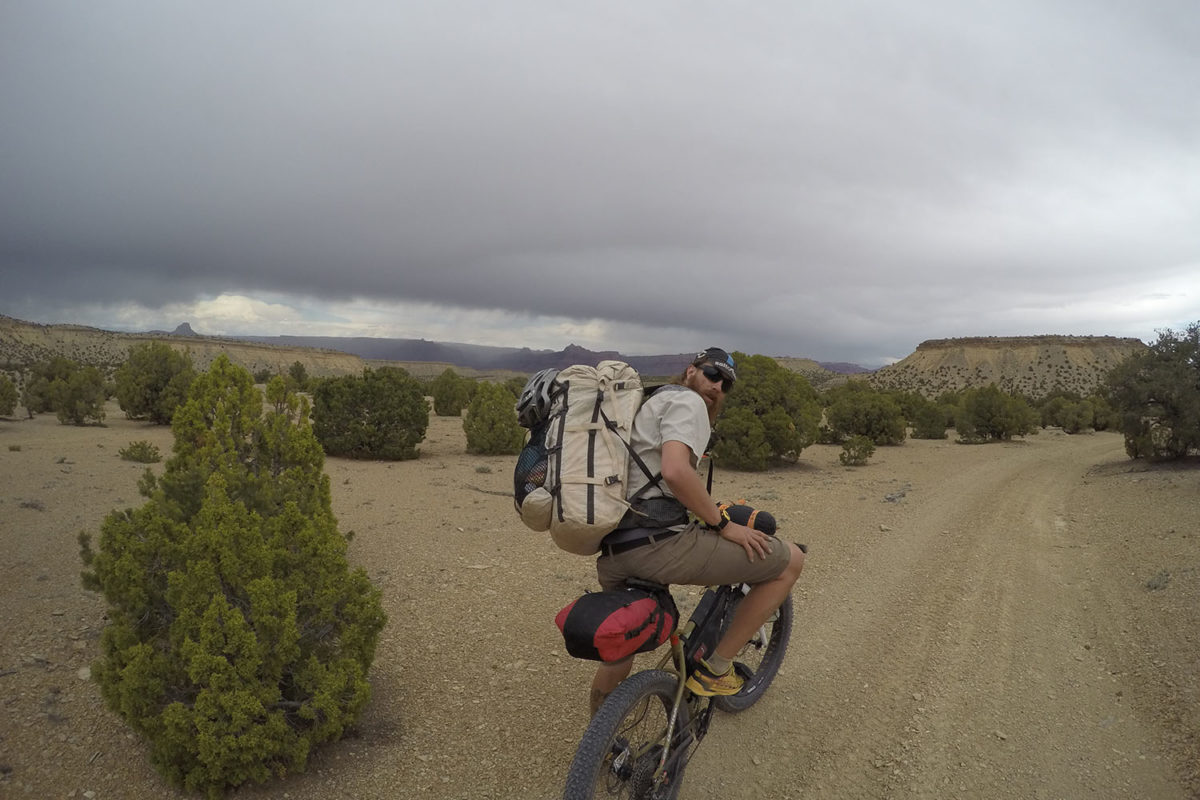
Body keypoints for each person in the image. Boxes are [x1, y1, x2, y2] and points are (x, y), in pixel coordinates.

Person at [588, 347, 806, 716]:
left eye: (727, 384)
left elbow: (657, 478)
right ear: (690, 371)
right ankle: (715, 670)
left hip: (615, 550)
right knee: (790, 562)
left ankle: (601, 739)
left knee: (623, 645)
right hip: (659, 546)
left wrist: (704, 510)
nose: (718, 386)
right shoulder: (688, 403)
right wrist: (724, 526)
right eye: (712, 374)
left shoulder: (647, 404)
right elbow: (675, 471)